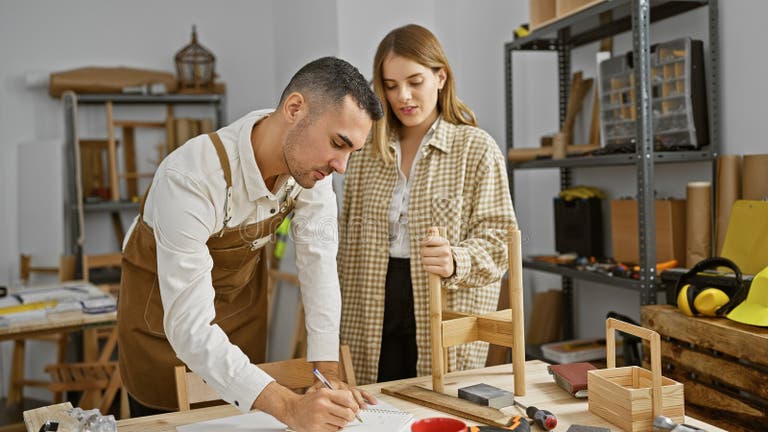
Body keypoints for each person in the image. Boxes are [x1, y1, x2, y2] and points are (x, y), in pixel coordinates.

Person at [117, 57, 383, 432]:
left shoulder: (312, 171)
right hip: (163, 332)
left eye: (350, 152)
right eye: (338, 144)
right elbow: (190, 328)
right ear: (294, 109)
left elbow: (319, 263)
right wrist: (290, 409)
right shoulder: (189, 179)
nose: (341, 166)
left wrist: (326, 370)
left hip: (239, 322)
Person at [338, 25, 516, 385]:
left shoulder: (476, 150)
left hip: (444, 301)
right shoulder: (364, 154)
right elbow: (346, 242)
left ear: (440, 77)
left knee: (440, 405)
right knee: (377, 406)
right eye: (390, 85)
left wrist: (456, 259)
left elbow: (501, 244)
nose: (403, 96)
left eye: (414, 81)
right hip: (371, 304)